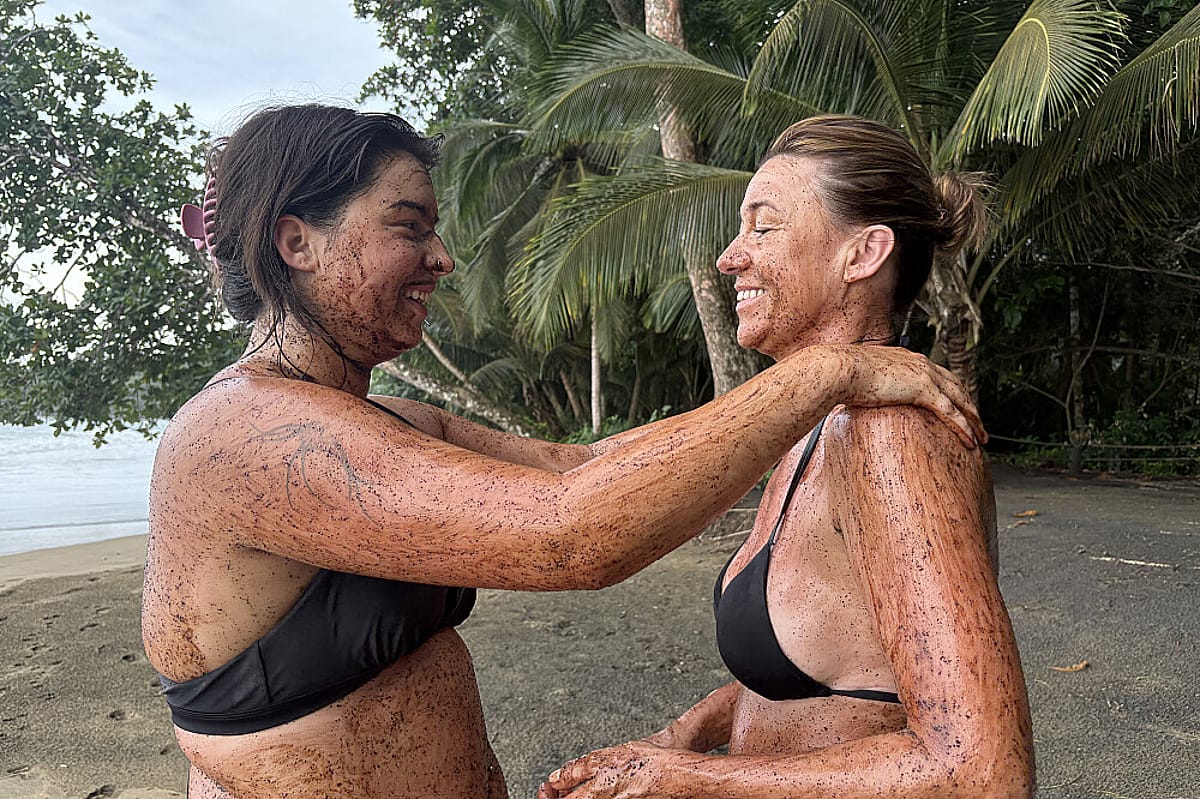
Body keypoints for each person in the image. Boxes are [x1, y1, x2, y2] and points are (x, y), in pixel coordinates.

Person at [141, 104, 985, 799]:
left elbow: (583, 469)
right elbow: (568, 531)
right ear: (298, 243)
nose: (442, 257)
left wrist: (814, 385)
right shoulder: (243, 437)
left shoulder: (381, 420)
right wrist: (829, 370)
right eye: (409, 226)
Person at [540, 115, 1034, 799]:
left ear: (862, 255)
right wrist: (686, 730)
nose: (729, 256)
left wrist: (689, 779)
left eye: (762, 226)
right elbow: (832, 676)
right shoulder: (815, 424)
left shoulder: (889, 432)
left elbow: (982, 770)